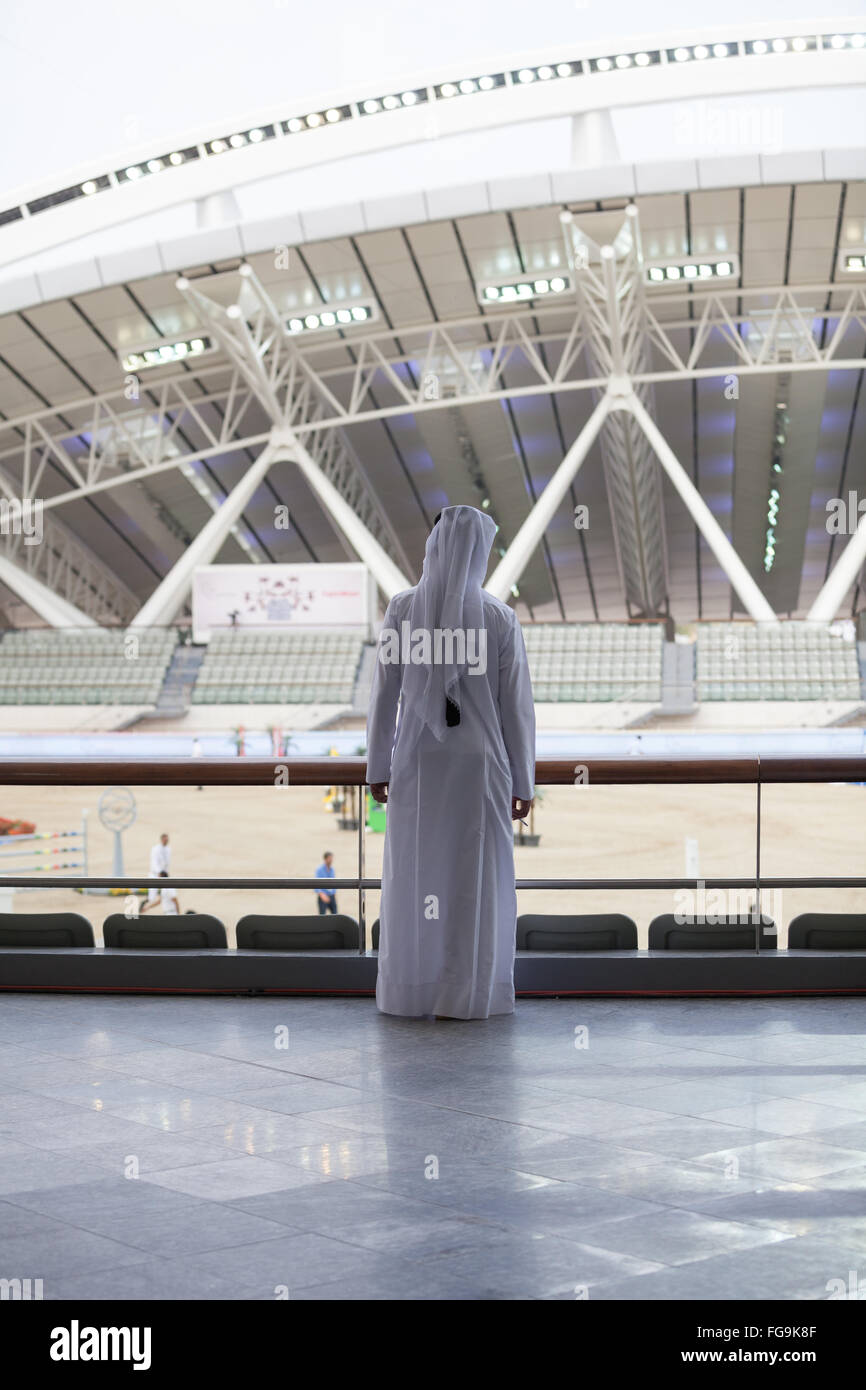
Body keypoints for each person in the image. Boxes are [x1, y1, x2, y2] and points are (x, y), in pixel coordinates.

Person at [366, 504, 535, 1020]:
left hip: (417, 766)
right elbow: (516, 708)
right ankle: (471, 992)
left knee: (416, 876)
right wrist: (524, 780)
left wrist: (377, 767)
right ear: (480, 553)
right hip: (480, 769)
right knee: (473, 879)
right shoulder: (497, 616)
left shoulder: (401, 610)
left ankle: (414, 989)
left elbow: (384, 696)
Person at [145, 833, 170, 912]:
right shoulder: (155, 849)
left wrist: (165, 873)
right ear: (162, 839)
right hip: (155, 874)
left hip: (164, 875)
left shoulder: (168, 849)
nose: (167, 841)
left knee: (165, 893)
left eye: (167, 840)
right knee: (151, 896)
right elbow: (154, 862)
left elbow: (167, 862)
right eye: (165, 840)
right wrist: (159, 871)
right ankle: (145, 908)